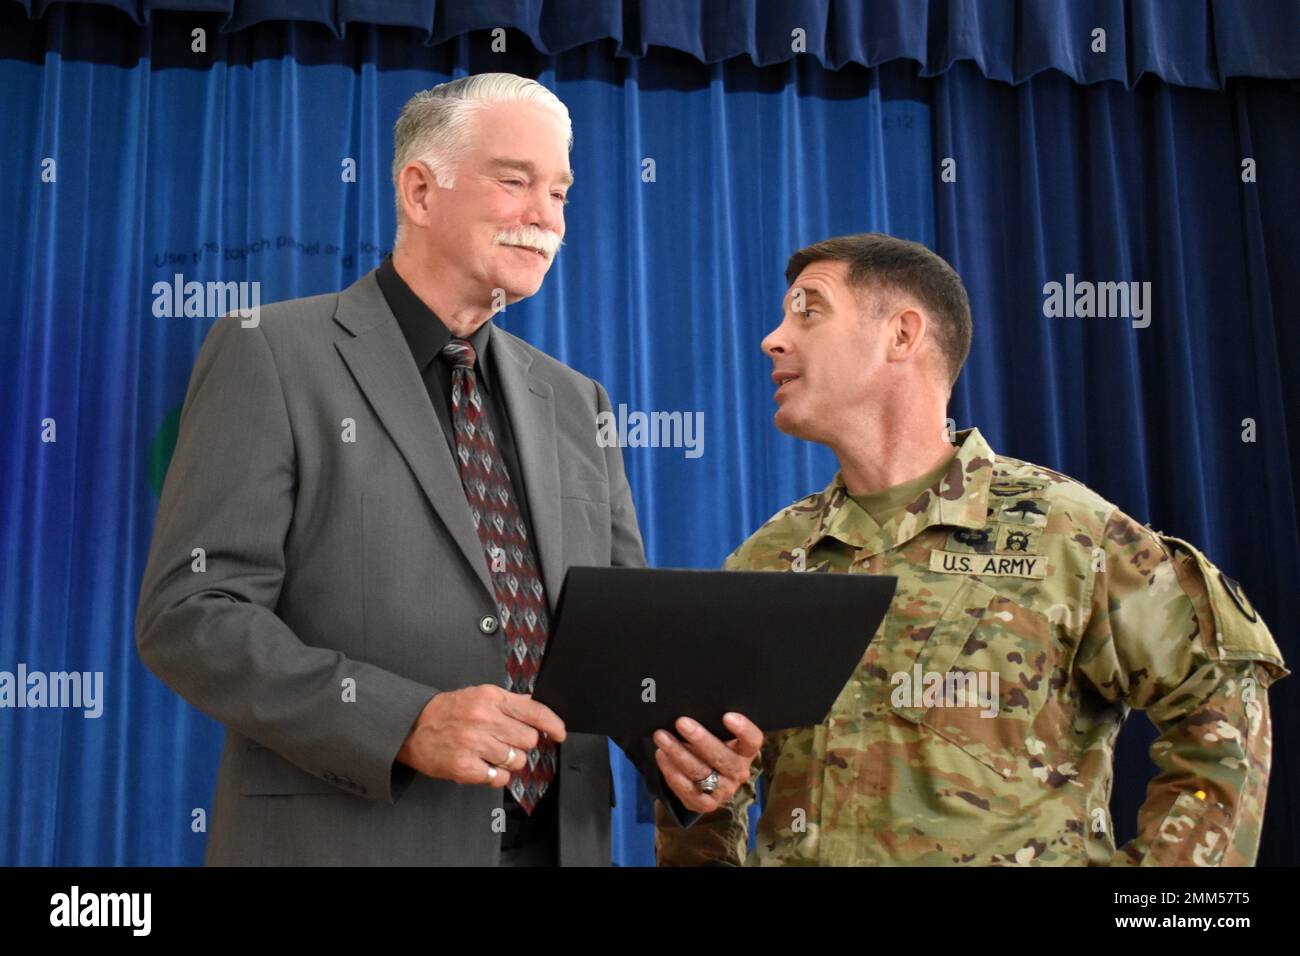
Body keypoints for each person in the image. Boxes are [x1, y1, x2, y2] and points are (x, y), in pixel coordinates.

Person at [135, 72, 759, 866]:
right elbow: (193, 613)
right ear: (421, 191)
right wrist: (402, 721)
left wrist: (680, 752)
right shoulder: (272, 352)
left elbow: (617, 646)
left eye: (561, 192)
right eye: (516, 181)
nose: (546, 216)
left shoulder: (576, 400)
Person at [655, 232, 1288, 866]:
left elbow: (1222, 700)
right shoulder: (769, 559)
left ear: (902, 335)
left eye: (808, 309)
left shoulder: (1070, 534)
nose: (774, 338)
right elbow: (699, 769)